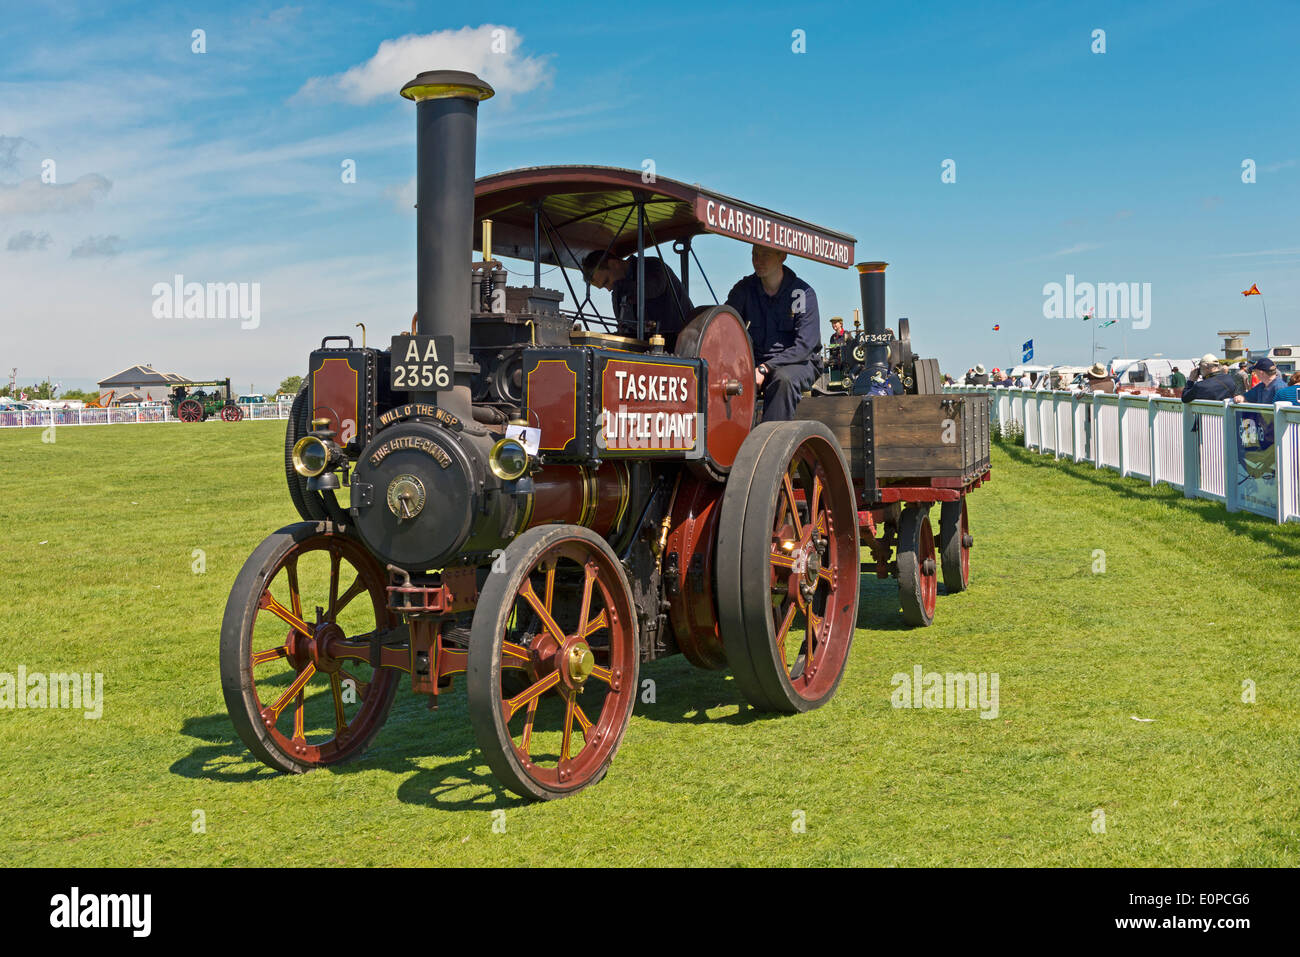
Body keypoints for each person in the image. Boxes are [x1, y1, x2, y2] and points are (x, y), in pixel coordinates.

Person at [724, 244, 822, 422]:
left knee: (783, 379)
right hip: (756, 364)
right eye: (755, 254)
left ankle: (769, 442)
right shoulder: (743, 289)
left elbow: (805, 346)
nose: (757, 260)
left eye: (765, 255)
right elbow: (726, 326)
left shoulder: (802, 293)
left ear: (782, 256)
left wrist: (764, 368)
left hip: (799, 363)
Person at [582, 250, 693, 340]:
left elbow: (654, 288)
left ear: (613, 264)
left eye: (606, 281)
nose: (609, 289)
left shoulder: (652, 266)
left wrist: (620, 286)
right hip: (648, 346)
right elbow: (626, 329)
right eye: (604, 287)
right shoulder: (618, 291)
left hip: (680, 341)